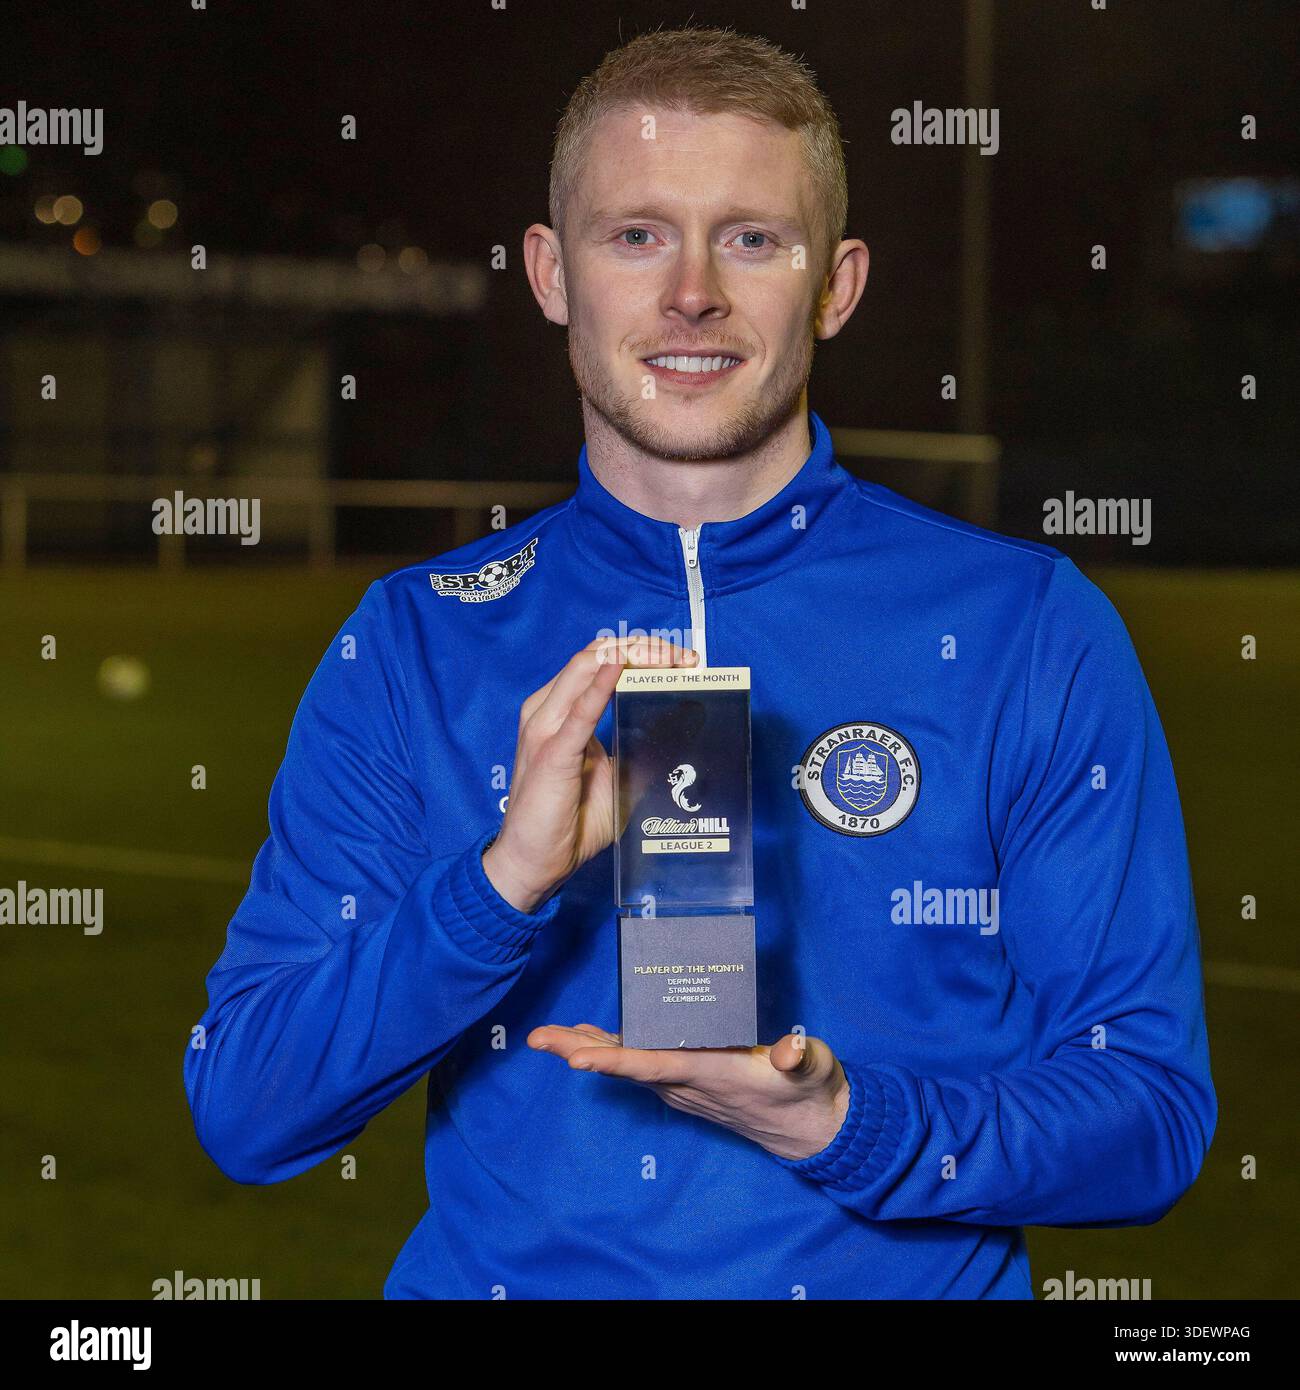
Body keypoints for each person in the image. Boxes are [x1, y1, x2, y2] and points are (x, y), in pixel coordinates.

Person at [184, 26, 1215, 1299]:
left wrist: (852, 1128)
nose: (690, 293)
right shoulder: (411, 643)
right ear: (552, 273)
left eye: (749, 237)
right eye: (635, 235)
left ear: (834, 285)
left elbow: (1151, 1114)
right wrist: (501, 884)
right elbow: (246, 1110)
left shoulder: (1025, 627)